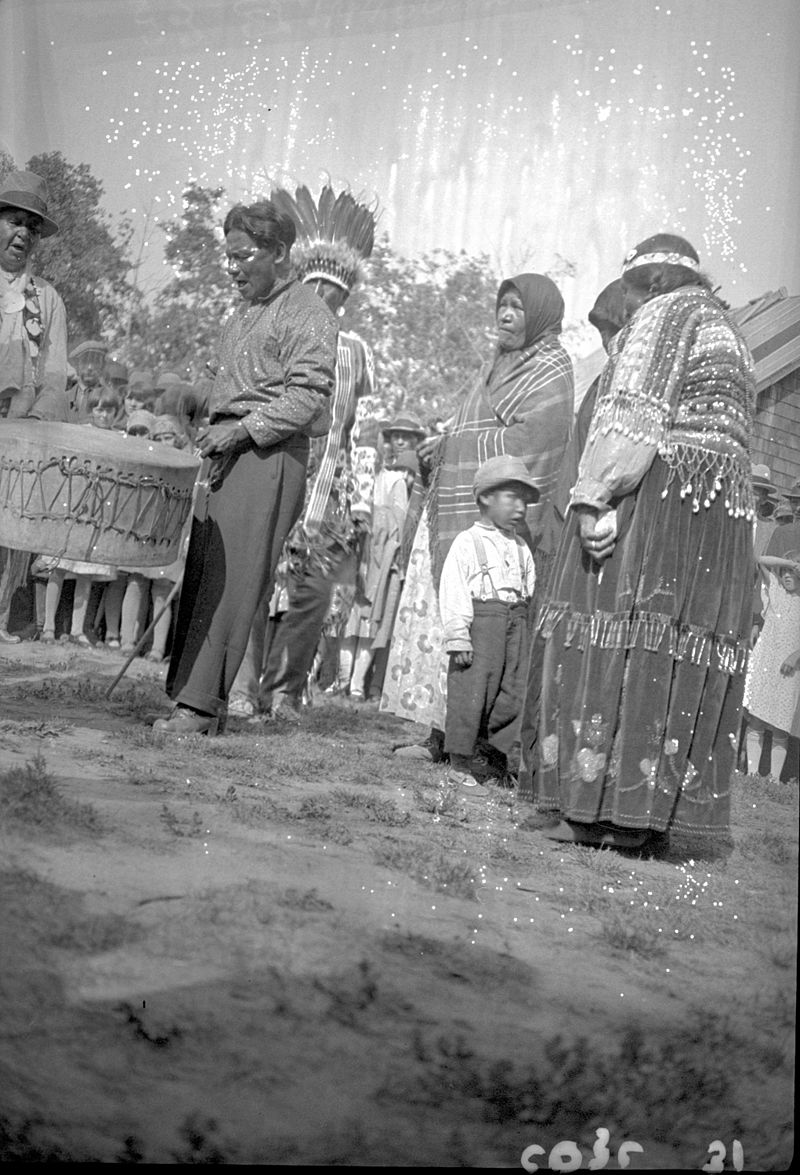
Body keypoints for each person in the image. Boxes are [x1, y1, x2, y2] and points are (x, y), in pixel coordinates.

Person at [531, 233, 756, 851]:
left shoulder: (661, 315)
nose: (625, 310)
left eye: (628, 294)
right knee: (677, 648)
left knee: (612, 630)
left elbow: (632, 412)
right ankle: (645, 823)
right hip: (720, 515)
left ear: (651, 284)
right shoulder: (729, 333)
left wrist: (592, 497)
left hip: (661, 502)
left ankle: (587, 812)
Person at [153, 195, 338, 735]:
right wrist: (196, 400)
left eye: (243, 256)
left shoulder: (308, 311)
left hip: (268, 456)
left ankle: (200, 706)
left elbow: (308, 397)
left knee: (235, 584)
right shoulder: (245, 312)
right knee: (209, 574)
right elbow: (230, 384)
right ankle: (192, 697)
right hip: (230, 453)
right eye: (227, 257)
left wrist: (240, 429)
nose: (232, 268)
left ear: (279, 252)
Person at [382, 273, 574, 760]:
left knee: (490, 637)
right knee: (453, 618)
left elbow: (537, 445)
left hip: (503, 529)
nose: (505, 314)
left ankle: (485, 747)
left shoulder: (552, 368)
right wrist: (442, 445)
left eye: (517, 307)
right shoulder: (494, 365)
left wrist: (453, 446)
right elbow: (469, 424)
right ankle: (441, 734)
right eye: (501, 305)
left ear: (541, 315)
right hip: (459, 516)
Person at [229, 183, 378, 723]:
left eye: (338, 297)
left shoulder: (356, 351)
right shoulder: (273, 327)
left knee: (310, 595)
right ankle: (243, 688)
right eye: (319, 291)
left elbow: (363, 430)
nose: (328, 304)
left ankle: (287, 690)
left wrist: (360, 503)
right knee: (255, 581)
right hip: (274, 468)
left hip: (329, 492)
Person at [518, 278, 627, 799]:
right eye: (607, 334)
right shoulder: (610, 381)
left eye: (618, 332)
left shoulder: (622, 379)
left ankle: (560, 781)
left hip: (580, 533)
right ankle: (542, 775)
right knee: (555, 655)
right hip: (569, 530)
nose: (612, 343)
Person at [439, 456, 538, 789]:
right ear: (485, 498)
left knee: (512, 692)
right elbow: (454, 591)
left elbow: (530, 588)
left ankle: (493, 759)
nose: (520, 507)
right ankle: (460, 762)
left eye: (524, 500)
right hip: (482, 624)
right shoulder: (468, 542)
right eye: (512, 497)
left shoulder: (521, 546)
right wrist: (458, 637)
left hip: (516, 622)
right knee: (472, 691)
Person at [0, 168, 69, 643]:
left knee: (7, 534)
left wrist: (32, 425)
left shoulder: (46, 300)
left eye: (32, 225)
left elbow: (55, 377)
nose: (22, 232)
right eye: (14, 221)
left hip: (19, 437)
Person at [33, 388, 122, 644]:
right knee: (58, 566)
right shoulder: (79, 433)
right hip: (72, 507)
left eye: (109, 410)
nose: (104, 415)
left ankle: (76, 629)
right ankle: (48, 626)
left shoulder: (118, 440)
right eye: (99, 409)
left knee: (86, 569)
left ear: (116, 413)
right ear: (91, 410)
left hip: (98, 511)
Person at [742, 551, 800, 780]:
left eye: (792, 573)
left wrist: (795, 656)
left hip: (789, 669)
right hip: (765, 662)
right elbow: (759, 559)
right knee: (756, 717)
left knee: (780, 724)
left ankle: (774, 778)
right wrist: (788, 562)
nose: (787, 575)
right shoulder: (775, 591)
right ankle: (753, 772)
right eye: (784, 572)